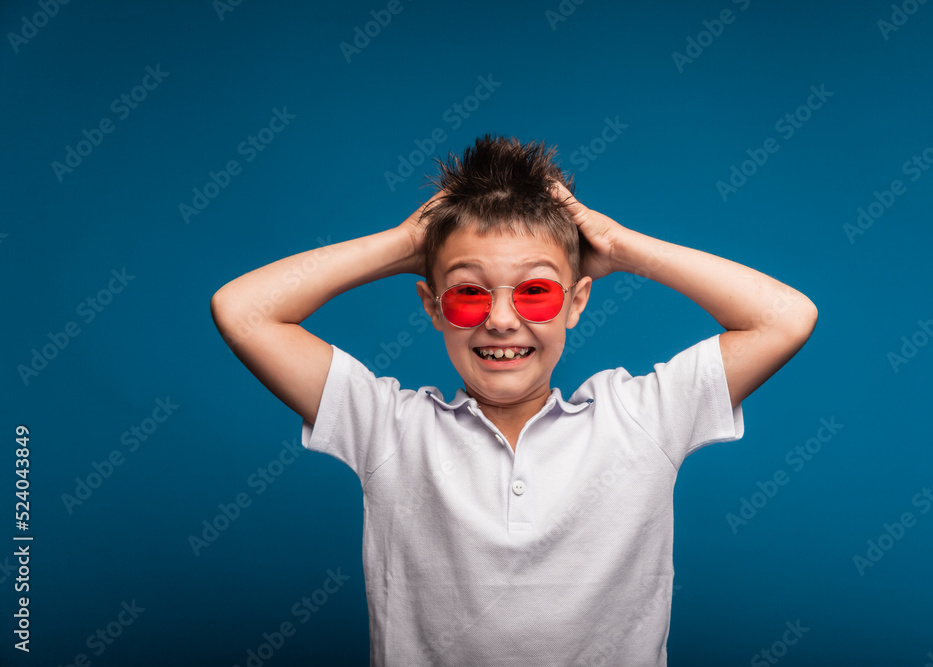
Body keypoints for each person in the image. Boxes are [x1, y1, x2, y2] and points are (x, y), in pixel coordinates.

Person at [210, 134, 817, 665]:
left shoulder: (642, 419)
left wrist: (622, 246)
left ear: (576, 302)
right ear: (433, 306)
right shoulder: (389, 428)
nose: (502, 320)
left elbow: (785, 318)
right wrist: (404, 244)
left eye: (534, 292)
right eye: (469, 293)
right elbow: (244, 312)